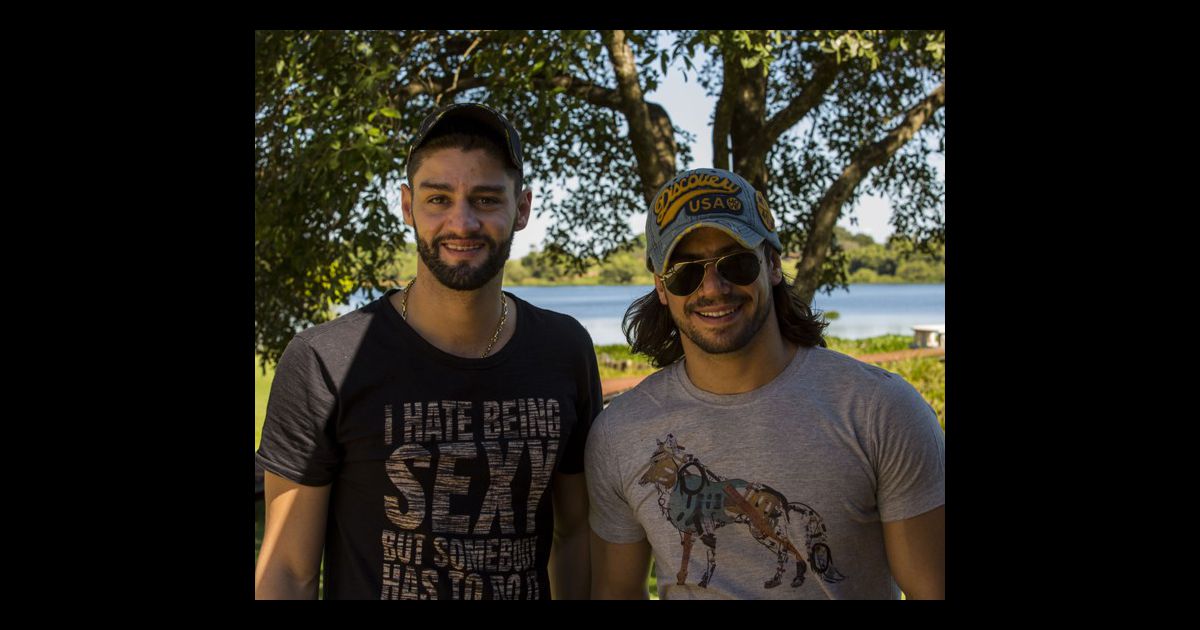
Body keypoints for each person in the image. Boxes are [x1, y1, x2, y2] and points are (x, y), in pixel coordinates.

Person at [255, 102, 600, 600]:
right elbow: (287, 569)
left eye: (485, 199)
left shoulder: (564, 349)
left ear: (522, 208)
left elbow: (577, 531)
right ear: (406, 205)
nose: (462, 223)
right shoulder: (323, 360)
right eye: (438, 198)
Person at [585, 168, 945, 600]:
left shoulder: (880, 410)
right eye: (685, 273)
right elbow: (616, 591)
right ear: (662, 288)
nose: (713, 288)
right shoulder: (619, 433)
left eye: (735, 262)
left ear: (773, 265)